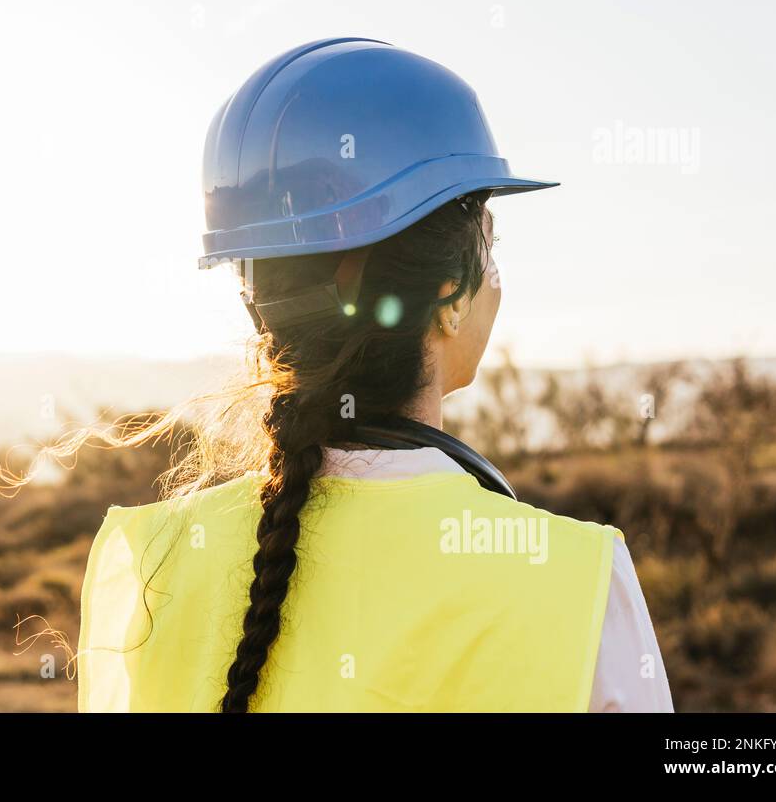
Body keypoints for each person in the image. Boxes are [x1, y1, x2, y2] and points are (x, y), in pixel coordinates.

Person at [72, 38, 672, 712]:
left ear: (254, 295)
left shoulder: (143, 560)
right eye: (490, 241)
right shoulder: (577, 585)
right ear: (449, 293)